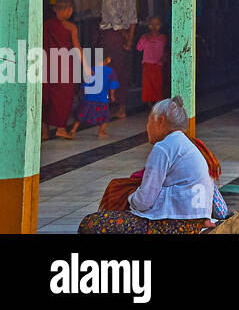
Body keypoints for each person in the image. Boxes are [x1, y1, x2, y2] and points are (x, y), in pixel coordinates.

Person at [78, 96, 215, 234]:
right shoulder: (184, 143)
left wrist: (129, 197)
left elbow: (144, 201)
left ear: (160, 121)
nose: (147, 127)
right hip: (191, 223)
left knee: (91, 223)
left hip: (171, 224)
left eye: (149, 121)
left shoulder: (164, 147)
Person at [42, 0, 80, 140]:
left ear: (54, 9)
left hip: (47, 63)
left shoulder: (46, 25)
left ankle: (44, 132)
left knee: (46, 97)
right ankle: (61, 128)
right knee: (64, 96)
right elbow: (77, 48)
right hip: (63, 65)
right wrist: (87, 67)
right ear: (70, 10)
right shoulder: (71, 27)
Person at [70, 53, 118, 139]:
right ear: (107, 60)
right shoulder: (110, 71)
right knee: (105, 116)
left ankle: (73, 130)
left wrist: (83, 93)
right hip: (102, 99)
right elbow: (112, 85)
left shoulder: (91, 70)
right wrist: (112, 95)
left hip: (89, 98)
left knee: (81, 114)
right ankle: (101, 131)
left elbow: (85, 84)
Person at [136, 16, 168, 105]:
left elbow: (167, 50)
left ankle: (159, 105)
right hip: (147, 65)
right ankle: (150, 105)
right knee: (148, 87)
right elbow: (139, 48)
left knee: (158, 86)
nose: (154, 27)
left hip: (159, 65)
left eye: (157, 24)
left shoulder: (163, 38)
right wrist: (144, 39)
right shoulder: (145, 37)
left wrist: (165, 57)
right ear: (148, 26)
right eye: (151, 24)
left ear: (161, 25)